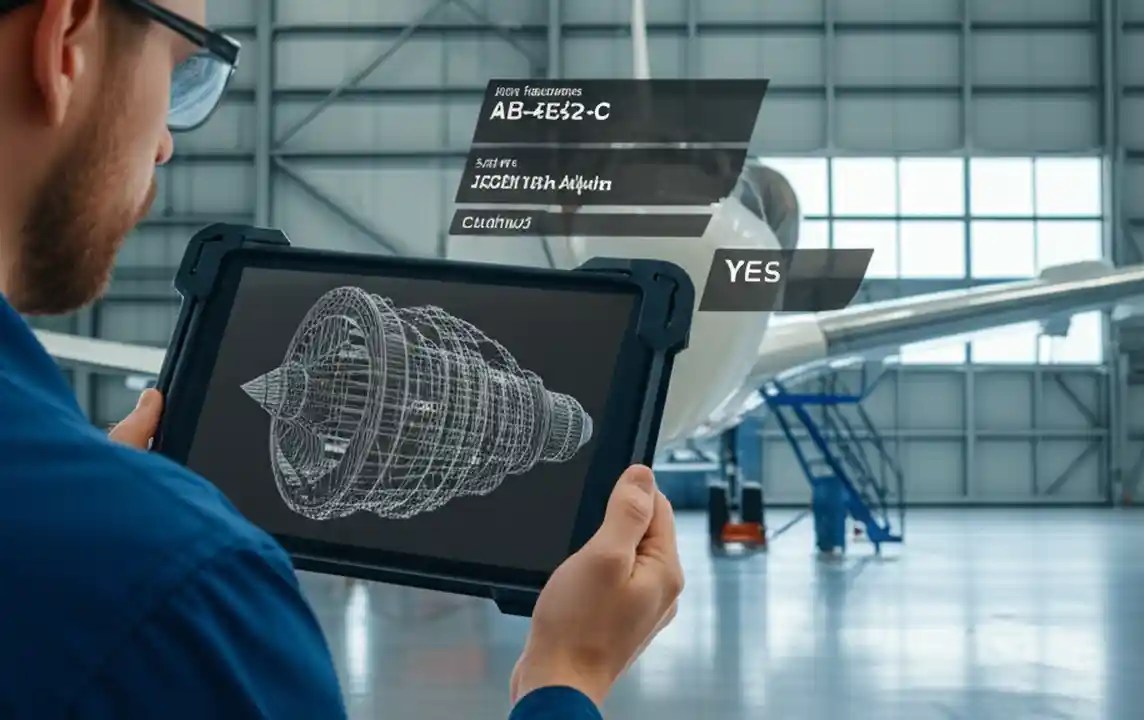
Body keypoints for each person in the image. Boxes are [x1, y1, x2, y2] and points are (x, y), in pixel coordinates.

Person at [0, 1, 684, 718]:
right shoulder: (177, 601)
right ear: (66, 39)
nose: (167, 141)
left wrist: (105, 502)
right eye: (182, 72)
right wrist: (566, 678)